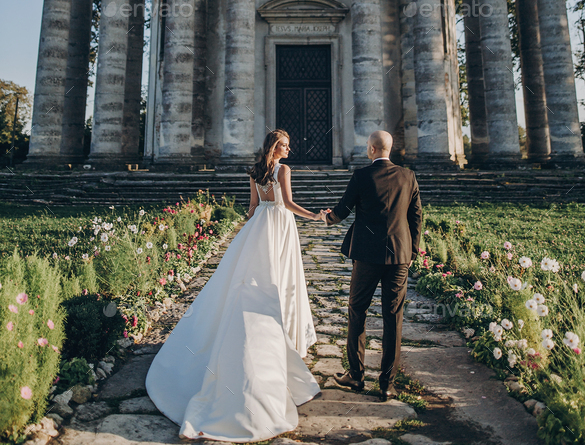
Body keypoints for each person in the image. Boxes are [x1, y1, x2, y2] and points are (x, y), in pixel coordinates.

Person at [146, 129, 327, 441]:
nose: (289, 148)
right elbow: (289, 204)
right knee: (280, 284)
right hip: (281, 227)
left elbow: (254, 208)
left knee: (250, 281)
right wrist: (315, 216)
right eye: (285, 144)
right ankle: (282, 341)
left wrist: (246, 237)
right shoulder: (283, 170)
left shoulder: (255, 171)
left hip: (259, 228)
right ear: (276, 147)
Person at [324, 130, 422, 401]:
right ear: (390, 149)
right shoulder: (408, 176)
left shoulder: (362, 176)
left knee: (357, 310)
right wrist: (412, 250)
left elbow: (342, 211)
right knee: (393, 317)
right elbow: (416, 217)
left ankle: (355, 375)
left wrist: (326, 218)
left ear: (371, 150)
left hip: (367, 255)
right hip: (399, 256)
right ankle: (387, 384)